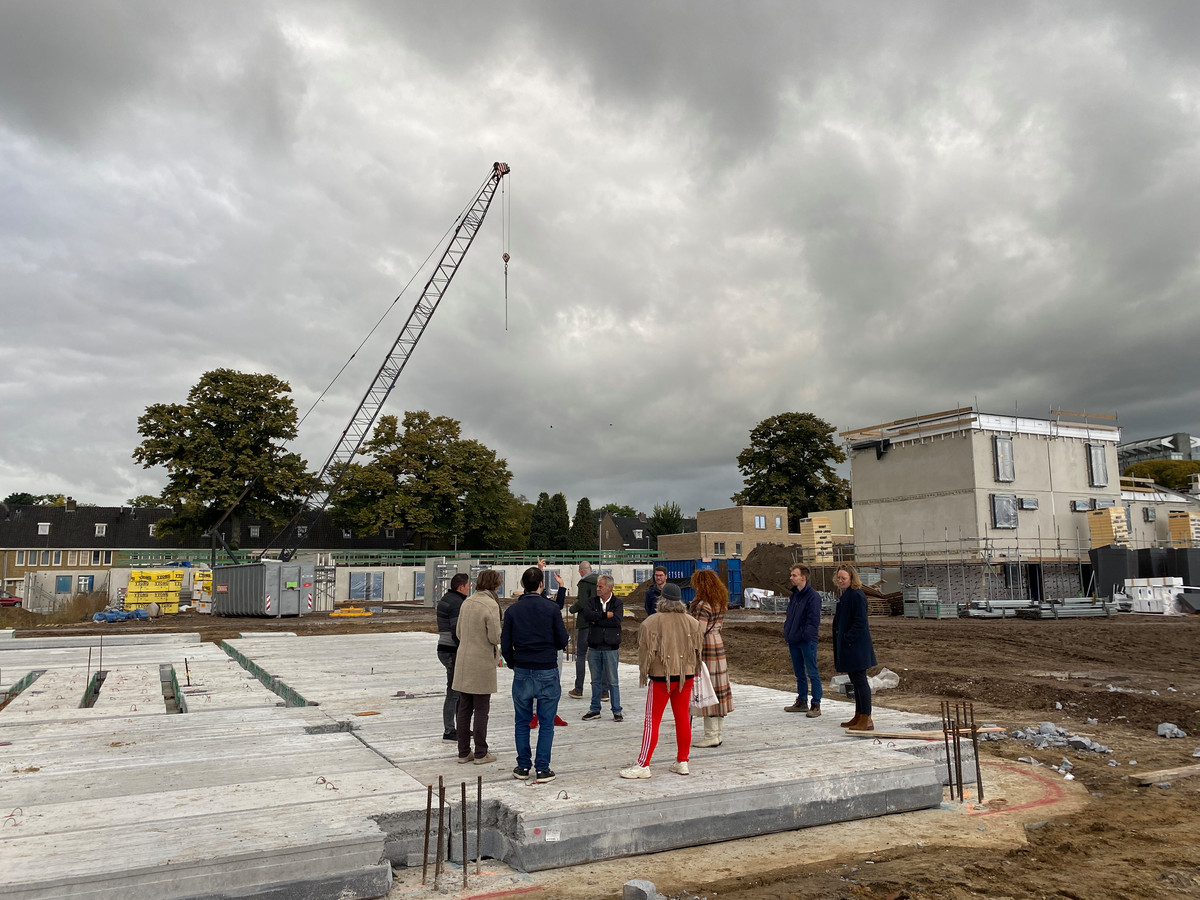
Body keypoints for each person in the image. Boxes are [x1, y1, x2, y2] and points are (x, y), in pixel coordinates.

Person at [620, 582, 703, 779]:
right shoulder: (693, 622)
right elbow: (697, 652)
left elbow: (645, 654)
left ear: (662, 599)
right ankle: (683, 761)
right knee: (683, 718)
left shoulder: (651, 622)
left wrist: (647, 671)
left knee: (652, 720)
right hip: (686, 676)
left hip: (660, 677)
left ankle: (643, 764)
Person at [501, 566, 569, 783]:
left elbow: (505, 644)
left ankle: (522, 766)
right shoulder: (551, 609)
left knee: (522, 721)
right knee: (546, 722)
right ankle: (542, 768)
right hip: (547, 670)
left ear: (522, 585)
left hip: (522, 670)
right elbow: (562, 640)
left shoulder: (512, 611)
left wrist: (514, 663)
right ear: (541, 585)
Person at [453, 569, 503, 765]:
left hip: (464, 660)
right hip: (481, 661)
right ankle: (481, 752)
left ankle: (463, 751)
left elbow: (458, 632)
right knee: (482, 708)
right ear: (495, 585)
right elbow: (495, 637)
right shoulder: (490, 604)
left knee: (464, 708)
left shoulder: (467, 602)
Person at [689, 568, 733, 747]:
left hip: (706, 647)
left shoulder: (703, 605)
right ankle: (717, 733)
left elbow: (698, 631)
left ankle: (711, 736)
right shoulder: (720, 602)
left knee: (708, 689)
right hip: (718, 644)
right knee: (719, 689)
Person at [832, 563, 877, 731]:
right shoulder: (847, 595)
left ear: (852, 578)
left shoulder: (857, 596)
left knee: (860, 682)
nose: (841, 580)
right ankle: (859, 715)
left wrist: (847, 638)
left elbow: (860, 622)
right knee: (856, 682)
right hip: (850, 646)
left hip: (856, 647)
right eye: (839, 578)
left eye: (844, 578)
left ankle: (867, 719)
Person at [580, 574, 624, 722]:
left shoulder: (617, 603)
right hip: (594, 647)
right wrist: (606, 615)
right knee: (595, 680)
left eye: (600, 586)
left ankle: (617, 710)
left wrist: (597, 619)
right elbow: (587, 616)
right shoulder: (592, 601)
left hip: (611, 647)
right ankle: (594, 709)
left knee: (613, 681)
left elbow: (617, 621)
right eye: (597, 586)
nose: (597, 589)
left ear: (609, 588)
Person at [783, 564, 823, 717]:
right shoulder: (794, 596)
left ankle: (816, 704)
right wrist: (788, 631)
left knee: (812, 672)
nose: (791, 578)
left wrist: (805, 635)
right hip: (794, 640)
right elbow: (790, 617)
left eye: (794, 575)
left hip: (806, 641)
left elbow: (813, 621)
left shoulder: (813, 597)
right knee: (799, 672)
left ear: (803, 578)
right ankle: (802, 700)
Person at [436, 573, 470, 741]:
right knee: (454, 692)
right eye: (467, 585)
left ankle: (458, 727)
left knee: (456, 690)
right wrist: (465, 647)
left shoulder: (446, 598)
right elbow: (457, 630)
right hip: (451, 649)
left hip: (444, 647)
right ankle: (450, 730)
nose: (469, 588)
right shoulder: (457, 602)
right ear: (461, 587)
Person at [567, 561, 599, 699]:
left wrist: (571, 609)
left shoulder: (584, 583)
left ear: (581, 571)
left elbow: (582, 602)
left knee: (580, 655)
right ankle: (603, 691)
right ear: (590, 569)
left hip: (585, 622)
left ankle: (578, 689)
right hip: (599, 623)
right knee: (598, 656)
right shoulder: (600, 581)